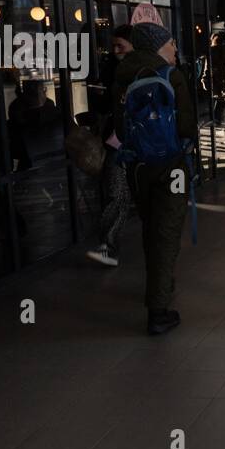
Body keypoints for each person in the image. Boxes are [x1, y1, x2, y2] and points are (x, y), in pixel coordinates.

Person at [112, 22, 195, 335]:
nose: (175, 49)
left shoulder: (122, 76)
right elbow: (187, 127)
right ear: (159, 44)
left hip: (137, 167)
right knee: (167, 233)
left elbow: (120, 130)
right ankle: (158, 310)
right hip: (170, 167)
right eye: (171, 43)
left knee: (151, 228)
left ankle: (161, 285)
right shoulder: (171, 76)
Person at [88, 25, 133, 268]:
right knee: (116, 193)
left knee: (130, 195)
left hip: (139, 143)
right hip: (116, 141)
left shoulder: (143, 71)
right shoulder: (108, 69)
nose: (116, 51)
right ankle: (108, 246)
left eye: (120, 46)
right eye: (113, 46)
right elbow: (102, 104)